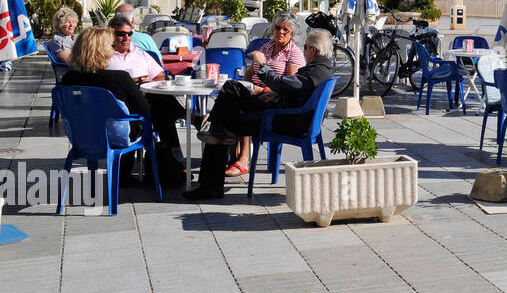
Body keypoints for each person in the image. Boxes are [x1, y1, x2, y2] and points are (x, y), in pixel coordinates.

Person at [183, 28, 335, 201]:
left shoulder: (315, 72)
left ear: (313, 50)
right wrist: (278, 94)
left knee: (221, 128)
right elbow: (295, 89)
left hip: (281, 119)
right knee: (232, 87)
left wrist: (262, 66)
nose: (303, 50)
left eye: (306, 47)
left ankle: (211, 184)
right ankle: (215, 129)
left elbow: (281, 82)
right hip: (282, 112)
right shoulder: (322, 69)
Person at [57, 26, 187, 185]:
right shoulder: (119, 78)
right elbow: (144, 109)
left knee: (154, 107)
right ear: (103, 50)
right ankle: (177, 149)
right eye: (110, 46)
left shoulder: (68, 80)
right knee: (158, 107)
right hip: (116, 136)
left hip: (81, 136)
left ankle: (126, 173)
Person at [224, 12, 304, 176]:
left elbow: (289, 86)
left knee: (238, 106)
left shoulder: (293, 53)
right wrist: (245, 85)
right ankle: (232, 153)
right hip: (254, 92)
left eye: (285, 29)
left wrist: (264, 90)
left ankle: (243, 158)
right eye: (277, 28)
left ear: (292, 33)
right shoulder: (266, 47)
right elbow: (250, 74)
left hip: (272, 99)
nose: (280, 32)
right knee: (231, 95)